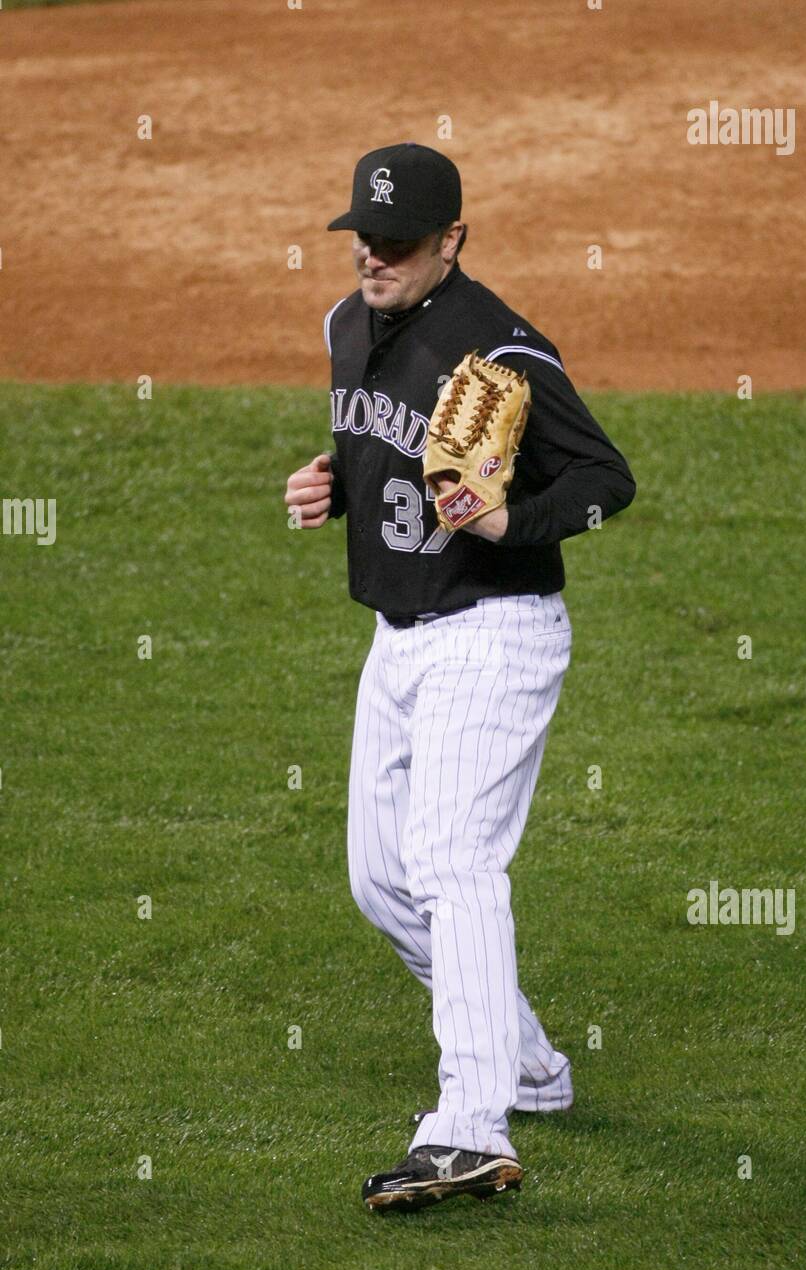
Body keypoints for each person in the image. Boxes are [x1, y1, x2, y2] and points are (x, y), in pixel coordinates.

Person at [284, 142, 636, 1212]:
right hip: (397, 639)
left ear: (453, 242)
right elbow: (379, 450)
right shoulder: (348, 327)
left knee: (451, 862)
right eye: (364, 238)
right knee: (379, 881)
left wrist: (509, 518)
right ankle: (528, 1065)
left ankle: (469, 1124)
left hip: (496, 630)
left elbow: (606, 478)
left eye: (398, 243)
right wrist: (329, 483)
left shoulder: (503, 347)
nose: (374, 258)